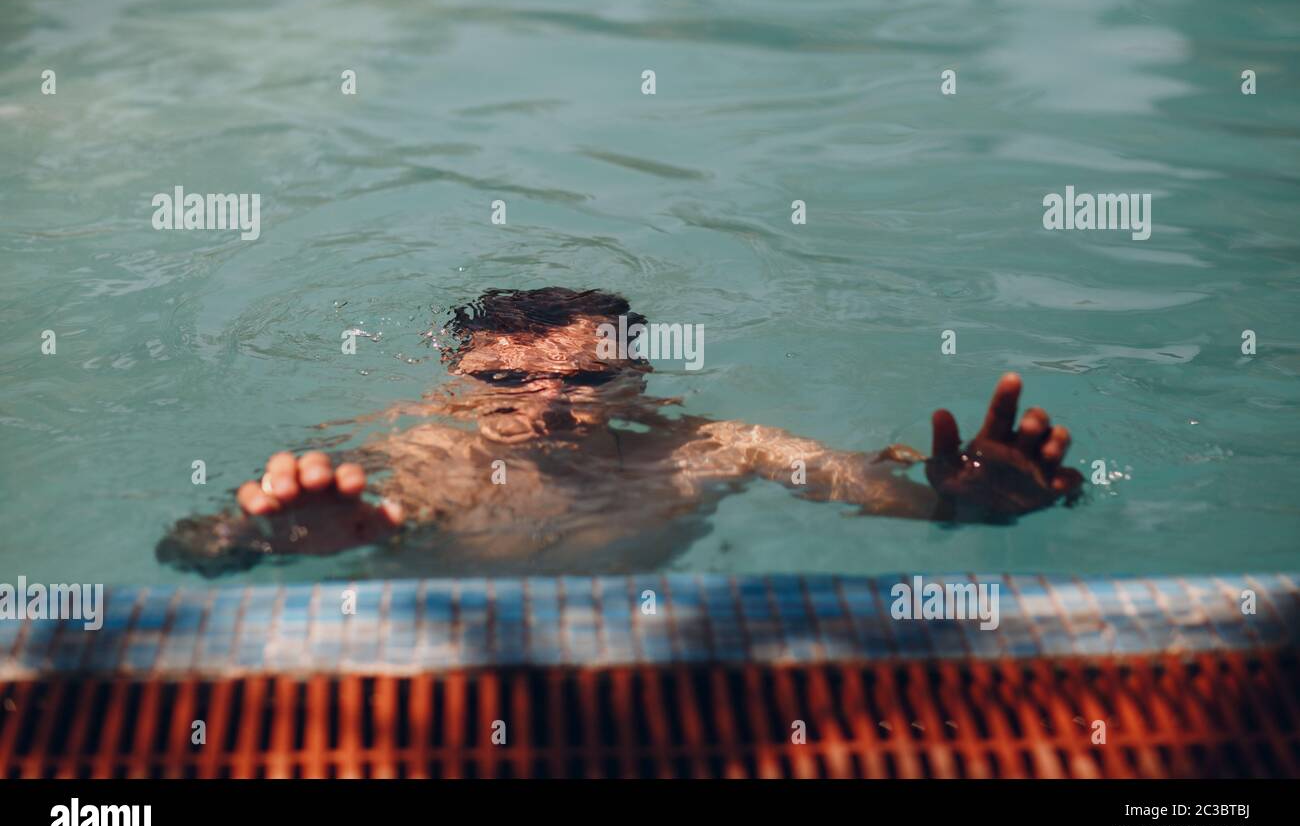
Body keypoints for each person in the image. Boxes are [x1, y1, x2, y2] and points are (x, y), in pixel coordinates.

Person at [157, 287, 1083, 575]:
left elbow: (889, 498)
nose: (552, 401)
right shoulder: (413, 452)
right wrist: (264, 538)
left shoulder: (723, 447)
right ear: (449, 386)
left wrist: (976, 508)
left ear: (641, 382)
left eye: (591, 377)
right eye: (505, 379)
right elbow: (188, 547)